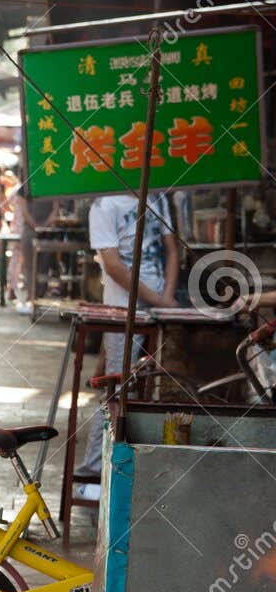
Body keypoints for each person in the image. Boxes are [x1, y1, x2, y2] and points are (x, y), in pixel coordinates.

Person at [76, 192, 179, 482]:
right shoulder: (103, 204)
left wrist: (167, 297)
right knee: (117, 388)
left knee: (160, 389)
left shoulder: (157, 196)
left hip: (161, 302)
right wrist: (159, 300)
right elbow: (113, 265)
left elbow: (172, 249)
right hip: (122, 307)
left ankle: (150, 469)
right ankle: (94, 471)